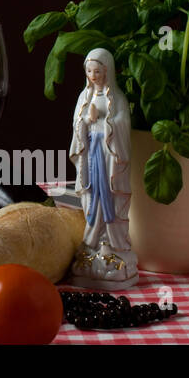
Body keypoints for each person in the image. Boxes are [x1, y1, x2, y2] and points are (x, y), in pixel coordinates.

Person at [69, 48, 138, 287]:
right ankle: (92, 242)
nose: (93, 75)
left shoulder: (117, 98)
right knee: (91, 196)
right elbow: (77, 124)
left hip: (110, 161)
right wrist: (86, 121)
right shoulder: (84, 97)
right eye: (89, 71)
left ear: (107, 71)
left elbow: (122, 123)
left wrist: (106, 123)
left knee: (110, 196)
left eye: (97, 71)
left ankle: (113, 243)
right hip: (92, 156)